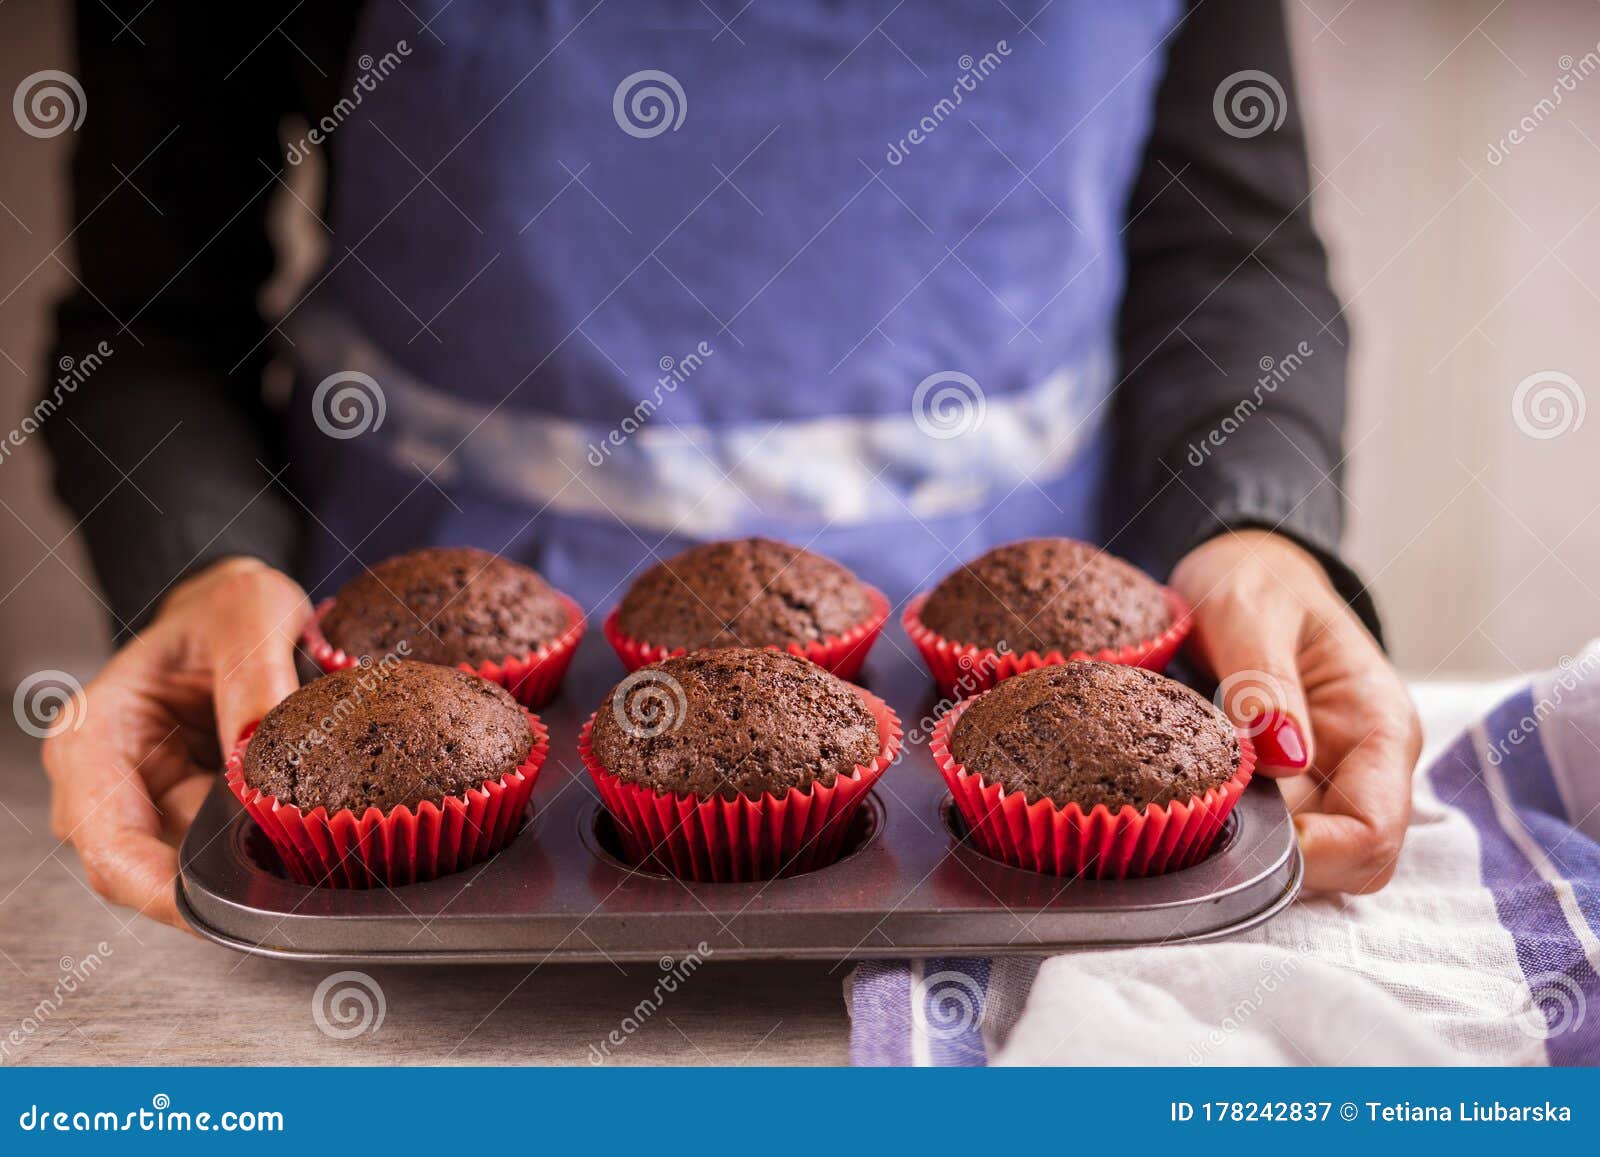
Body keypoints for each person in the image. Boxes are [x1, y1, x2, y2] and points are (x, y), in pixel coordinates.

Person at [39, 0, 1420, 929]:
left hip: (1056, 785)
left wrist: (1260, 528)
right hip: (418, 759)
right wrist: (198, 560)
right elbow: (150, 327)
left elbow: (1231, 257)